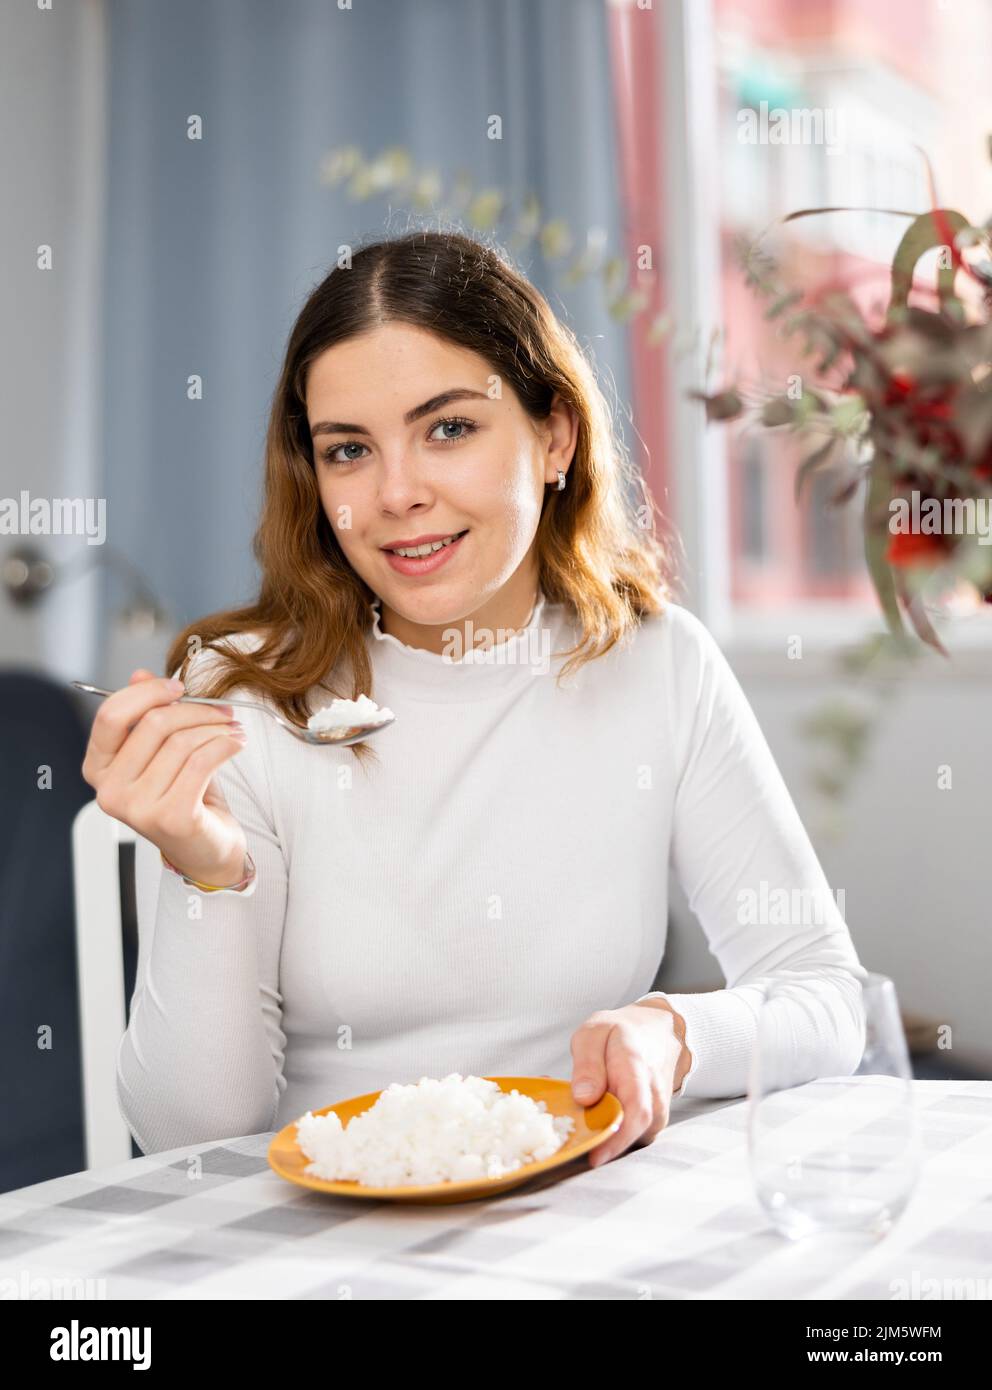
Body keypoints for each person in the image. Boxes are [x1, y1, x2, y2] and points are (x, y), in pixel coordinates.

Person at [81, 229, 867, 1162]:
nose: (396, 494)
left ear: (554, 436)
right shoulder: (241, 698)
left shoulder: (659, 665)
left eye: (448, 428)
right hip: (324, 1220)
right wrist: (207, 871)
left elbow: (825, 997)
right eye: (348, 450)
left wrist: (676, 1032)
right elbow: (191, 1136)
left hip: (579, 1200)